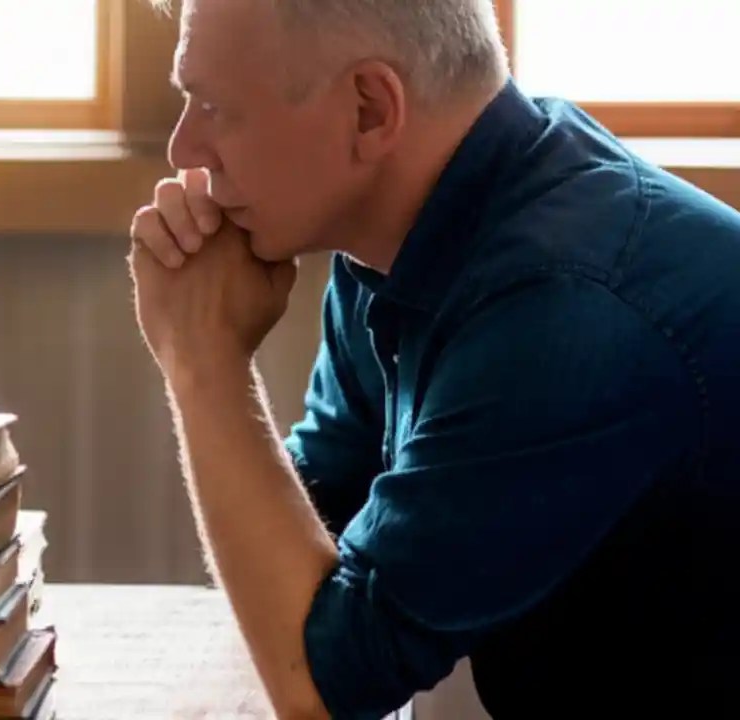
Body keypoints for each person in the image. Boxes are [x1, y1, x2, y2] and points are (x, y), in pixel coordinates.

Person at [126, 1, 740, 718]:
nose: (183, 150)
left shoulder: (564, 306)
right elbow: (310, 543)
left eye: (214, 106)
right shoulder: (407, 237)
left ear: (369, 109)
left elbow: (325, 687)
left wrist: (204, 361)